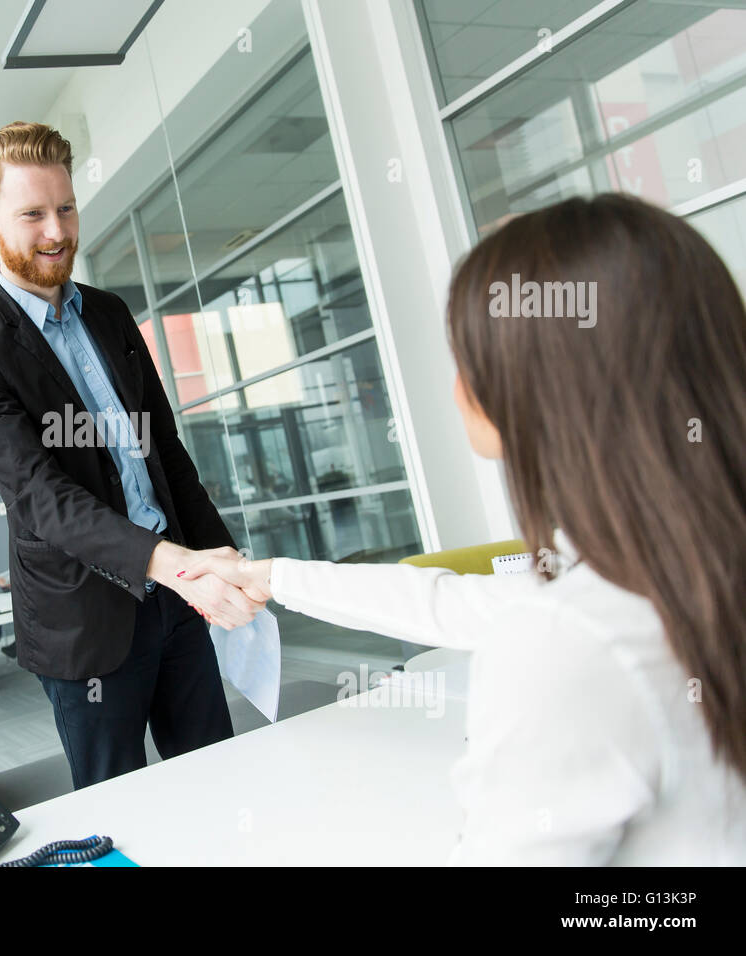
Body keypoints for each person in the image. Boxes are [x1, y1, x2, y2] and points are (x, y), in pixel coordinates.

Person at [177, 193, 746, 864]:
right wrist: (268, 577)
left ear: (532, 387)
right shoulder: (669, 571)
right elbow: (455, 604)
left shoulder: (569, 643)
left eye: (465, 358)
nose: (453, 388)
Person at [0, 121, 263, 790]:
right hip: (83, 618)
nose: (56, 232)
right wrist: (170, 561)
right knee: (117, 801)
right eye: (32, 214)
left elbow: (164, 453)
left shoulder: (110, 315)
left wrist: (220, 559)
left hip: (178, 594)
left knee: (217, 777)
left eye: (66, 207)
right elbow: (39, 494)